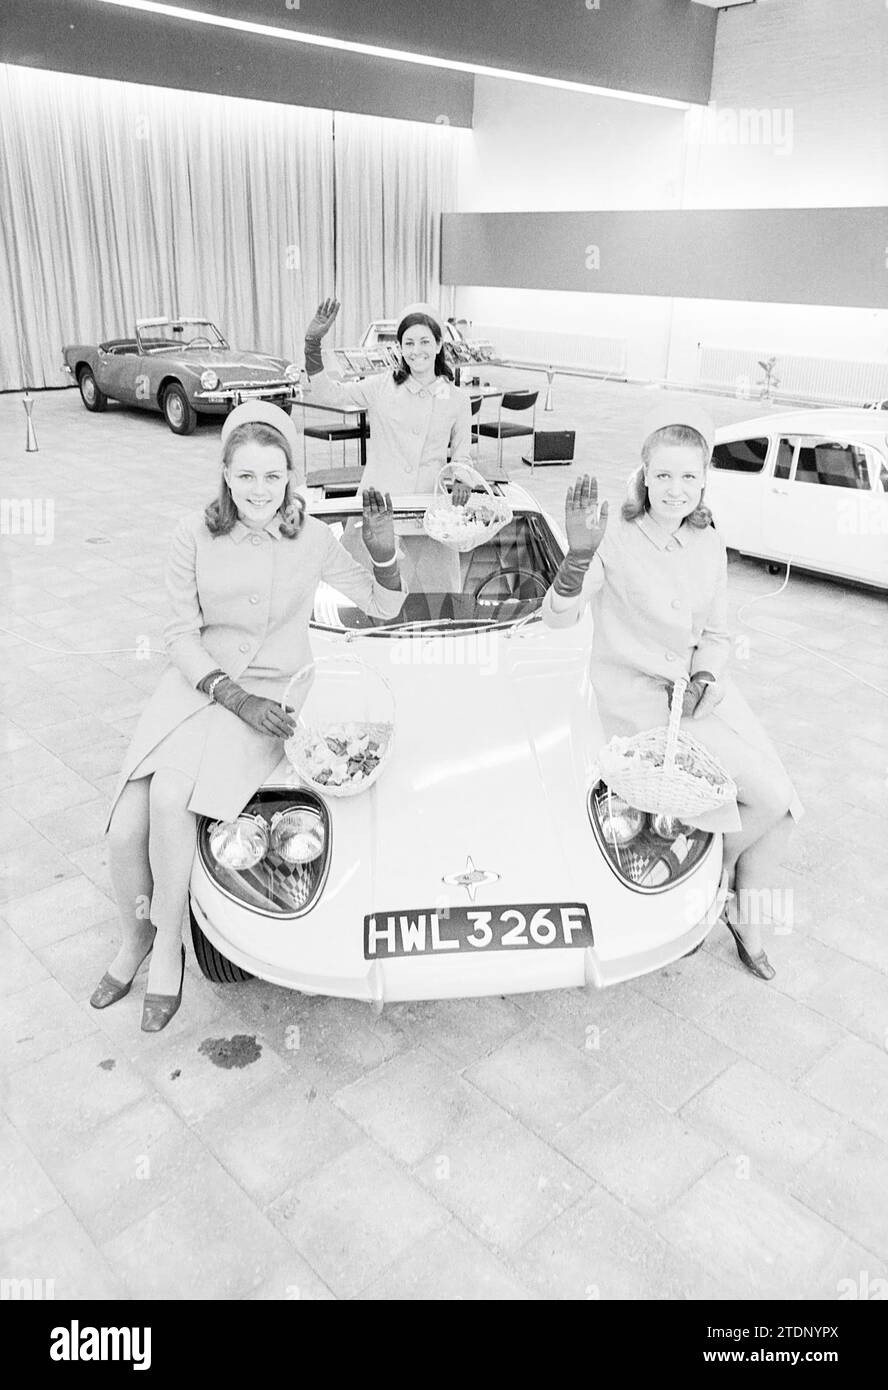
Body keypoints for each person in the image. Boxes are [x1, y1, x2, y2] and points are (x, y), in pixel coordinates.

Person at [91, 400, 407, 1031]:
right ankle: (137, 933)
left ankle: (169, 946)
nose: (260, 490)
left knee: (170, 798)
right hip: (200, 683)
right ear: (226, 476)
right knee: (124, 828)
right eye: (246, 476)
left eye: (273, 475)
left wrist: (384, 553)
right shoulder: (192, 533)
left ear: (291, 477)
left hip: (271, 694)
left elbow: (383, 607)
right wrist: (229, 694)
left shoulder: (313, 539)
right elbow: (179, 634)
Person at [542, 402, 803, 980]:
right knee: (770, 797)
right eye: (662, 474)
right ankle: (712, 888)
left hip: (701, 695)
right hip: (640, 702)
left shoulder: (709, 538)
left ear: (704, 479)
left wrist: (707, 674)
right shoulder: (613, 535)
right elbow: (558, 618)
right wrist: (576, 560)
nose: (675, 489)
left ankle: (738, 912)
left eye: (689, 475)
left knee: (783, 810)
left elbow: (717, 633)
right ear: (643, 474)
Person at [303, 297, 474, 504]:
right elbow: (329, 394)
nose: (416, 351)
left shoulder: (458, 399)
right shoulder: (380, 386)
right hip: (378, 501)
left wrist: (462, 479)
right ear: (399, 347)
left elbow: (461, 455)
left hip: (427, 501)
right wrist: (312, 345)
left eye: (425, 342)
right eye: (409, 343)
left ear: (438, 345)